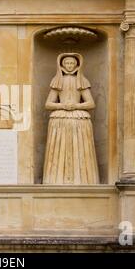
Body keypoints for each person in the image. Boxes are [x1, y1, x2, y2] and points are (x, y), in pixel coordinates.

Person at [43, 53, 100, 185]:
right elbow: (48, 104)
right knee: (59, 152)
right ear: (62, 65)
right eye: (67, 63)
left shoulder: (82, 80)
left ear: (77, 65)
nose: (69, 66)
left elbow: (91, 103)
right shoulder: (58, 80)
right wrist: (63, 105)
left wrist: (75, 105)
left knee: (79, 152)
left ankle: (84, 179)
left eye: (72, 63)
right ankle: (55, 179)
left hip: (78, 118)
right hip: (60, 118)